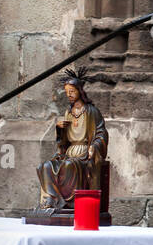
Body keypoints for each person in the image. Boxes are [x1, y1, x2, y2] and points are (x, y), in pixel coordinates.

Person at [36, 67, 108, 211]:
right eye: (67, 92)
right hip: (68, 152)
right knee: (45, 166)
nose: (69, 95)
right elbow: (63, 142)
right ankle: (51, 200)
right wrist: (60, 129)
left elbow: (102, 133)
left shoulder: (91, 112)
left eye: (72, 92)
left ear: (80, 92)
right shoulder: (68, 112)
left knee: (69, 166)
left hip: (83, 153)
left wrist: (94, 146)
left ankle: (70, 204)